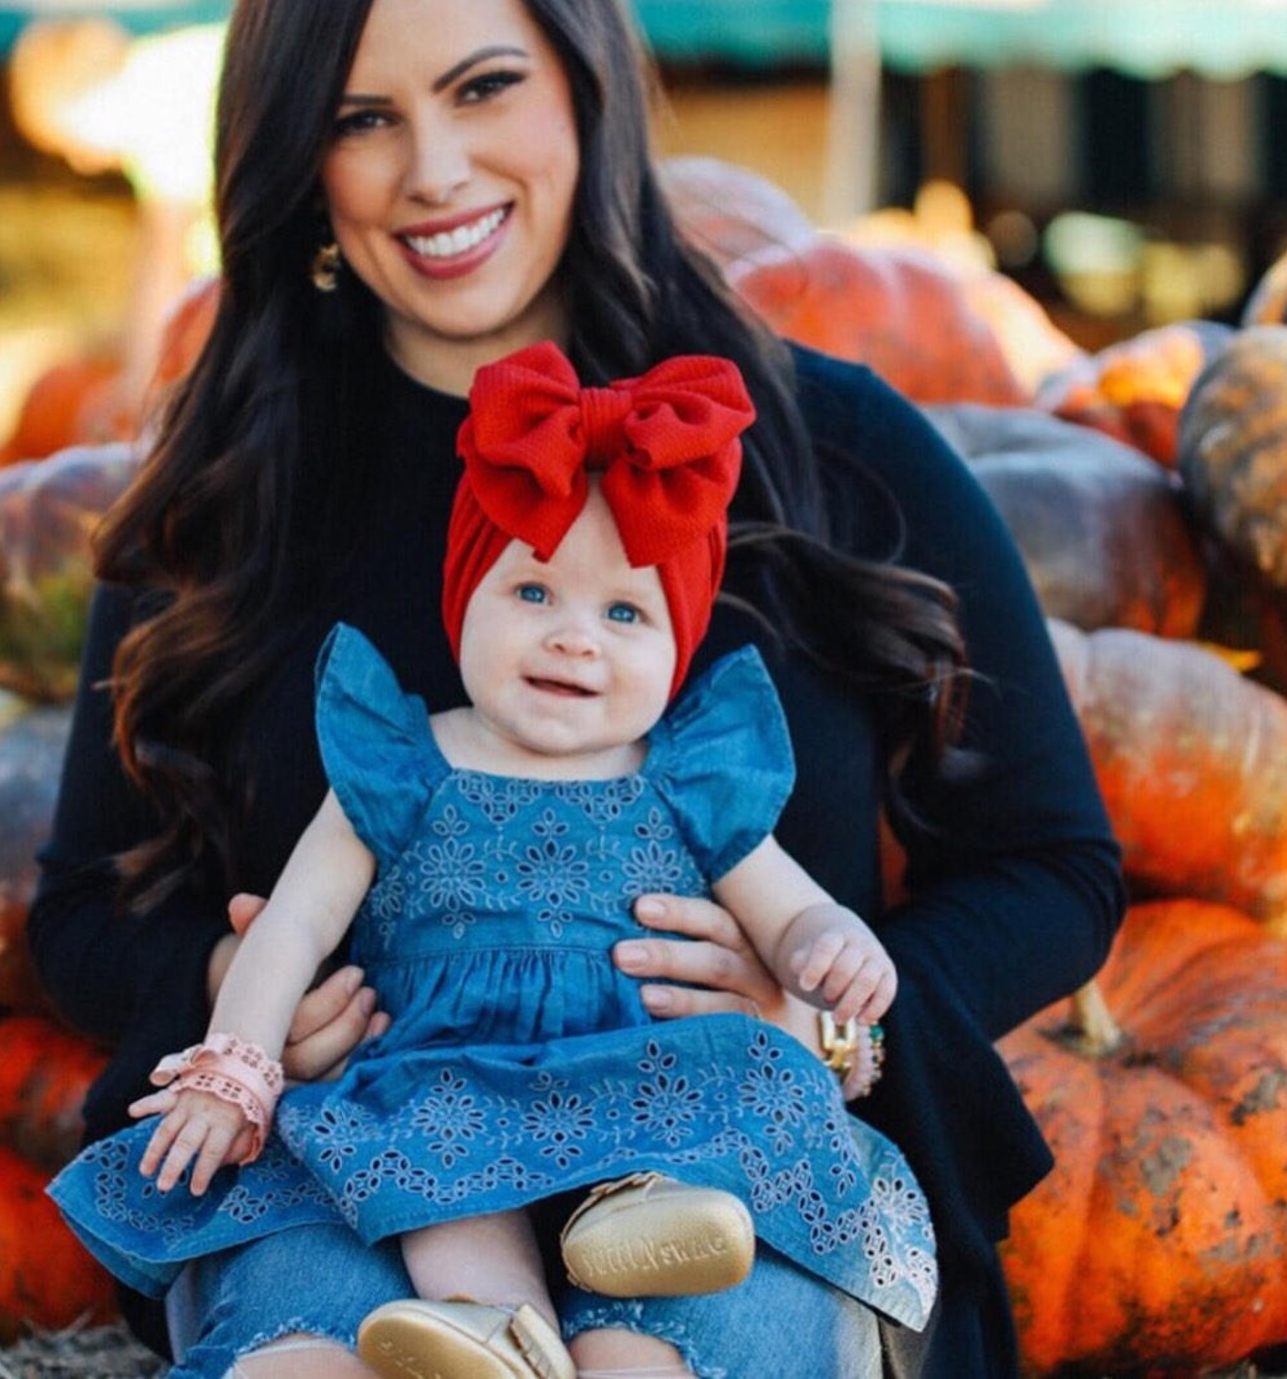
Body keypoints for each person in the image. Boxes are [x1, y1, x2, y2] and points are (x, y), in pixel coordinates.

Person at [26, 0, 1123, 1379]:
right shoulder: (223, 510)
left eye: (485, 88)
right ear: (297, 165)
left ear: (585, 92)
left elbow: (1054, 866)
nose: (435, 172)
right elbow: (77, 911)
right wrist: (238, 998)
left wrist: (818, 1009)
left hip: (720, 1171)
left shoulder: (832, 454)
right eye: (362, 118)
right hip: (351, 1157)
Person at [48, 341, 936, 1379]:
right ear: (462, 595)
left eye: (623, 613)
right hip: (447, 1070)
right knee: (421, 1145)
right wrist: (237, 1063)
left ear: (678, 645)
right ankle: (499, 1329)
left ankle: (638, 1221)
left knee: (727, 1099)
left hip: (645, 1086)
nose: (573, 639)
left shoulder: (690, 773)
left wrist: (832, 951)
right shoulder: (402, 760)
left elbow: (788, 910)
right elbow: (291, 922)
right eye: (532, 593)